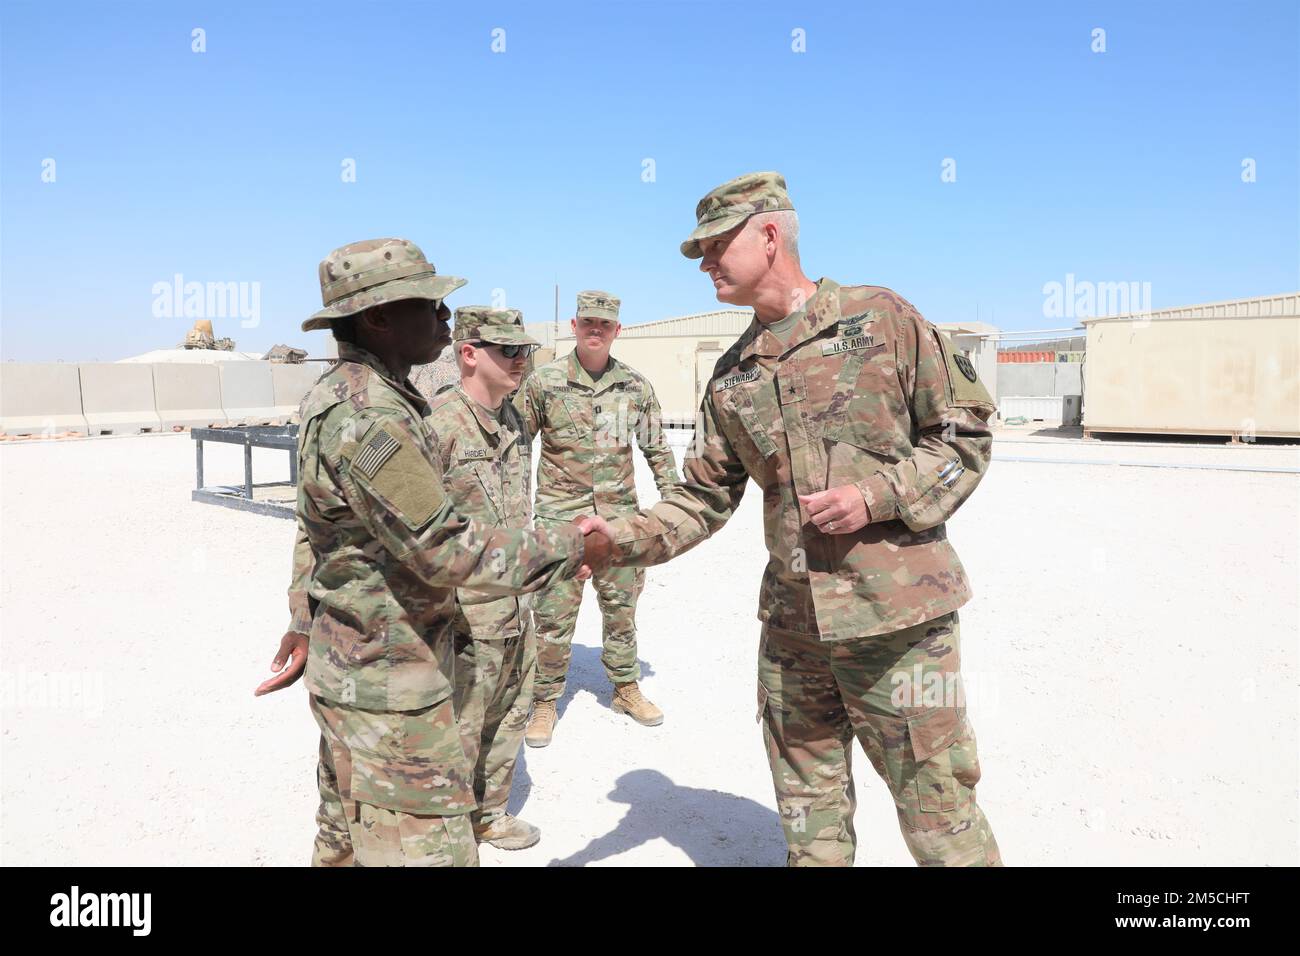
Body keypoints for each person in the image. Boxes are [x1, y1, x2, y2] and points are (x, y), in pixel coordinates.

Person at [586, 172, 1004, 866]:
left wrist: (876, 497)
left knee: (940, 814)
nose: (705, 264)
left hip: (897, 625)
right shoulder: (733, 375)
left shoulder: (884, 320)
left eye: (717, 244)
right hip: (794, 632)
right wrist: (621, 538)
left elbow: (966, 438)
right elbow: (703, 496)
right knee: (809, 821)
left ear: (770, 235)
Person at [259, 238, 610, 867]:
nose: (447, 321)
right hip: (390, 683)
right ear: (378, 318)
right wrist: (569, 543)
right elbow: (445, 552)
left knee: (343, 845)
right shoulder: (372, 418)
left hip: (360, 670)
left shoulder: (351, 393)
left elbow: (319, 531)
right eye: (431, 307)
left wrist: (301, 618)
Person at [514, 290, 680, 747]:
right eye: (588, 321)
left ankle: (625, 687)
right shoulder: (543, 383)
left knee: (621, 611)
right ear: (574, 325)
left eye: (604, 324)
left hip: (620, 522)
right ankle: (545, 699)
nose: (595, 330)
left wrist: (674, 510)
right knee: (551, 616)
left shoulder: (635, 386)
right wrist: (514, 517)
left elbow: (658, 450)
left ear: (616, 331)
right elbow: (516, 449)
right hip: (559, 524)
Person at [425, 306, 544, 850]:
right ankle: (449, 829)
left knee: (511, 712)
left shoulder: (513, 419)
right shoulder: (436, 424)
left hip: (517, 604)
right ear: (469, 354)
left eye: (526, 351)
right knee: (460, 724)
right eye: (510, 351)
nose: (522, 360)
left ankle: (489, 812)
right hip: (464, 614)